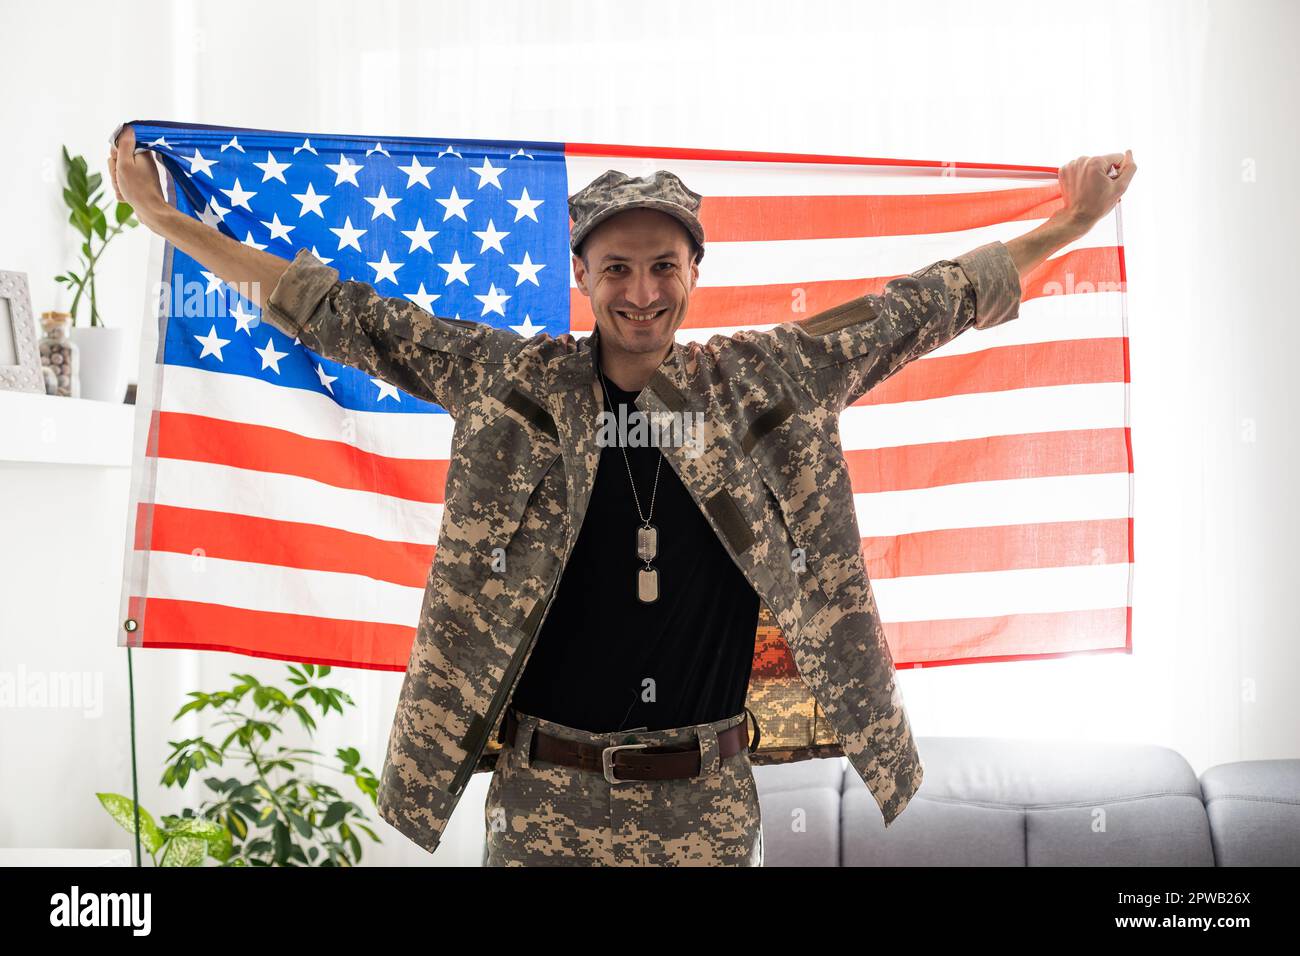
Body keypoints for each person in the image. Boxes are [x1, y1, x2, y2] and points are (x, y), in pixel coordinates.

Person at [109, 123, 1136, 865]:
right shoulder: (509, 383)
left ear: (692, 268)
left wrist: (1072, 220)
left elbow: (923, 306)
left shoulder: (761, 381)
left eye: (661, 265)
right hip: (543, 796)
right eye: (615, 270)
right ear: (583, 279)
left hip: (705, 805)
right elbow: (337, 312)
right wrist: (168, 222)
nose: (640, 291)